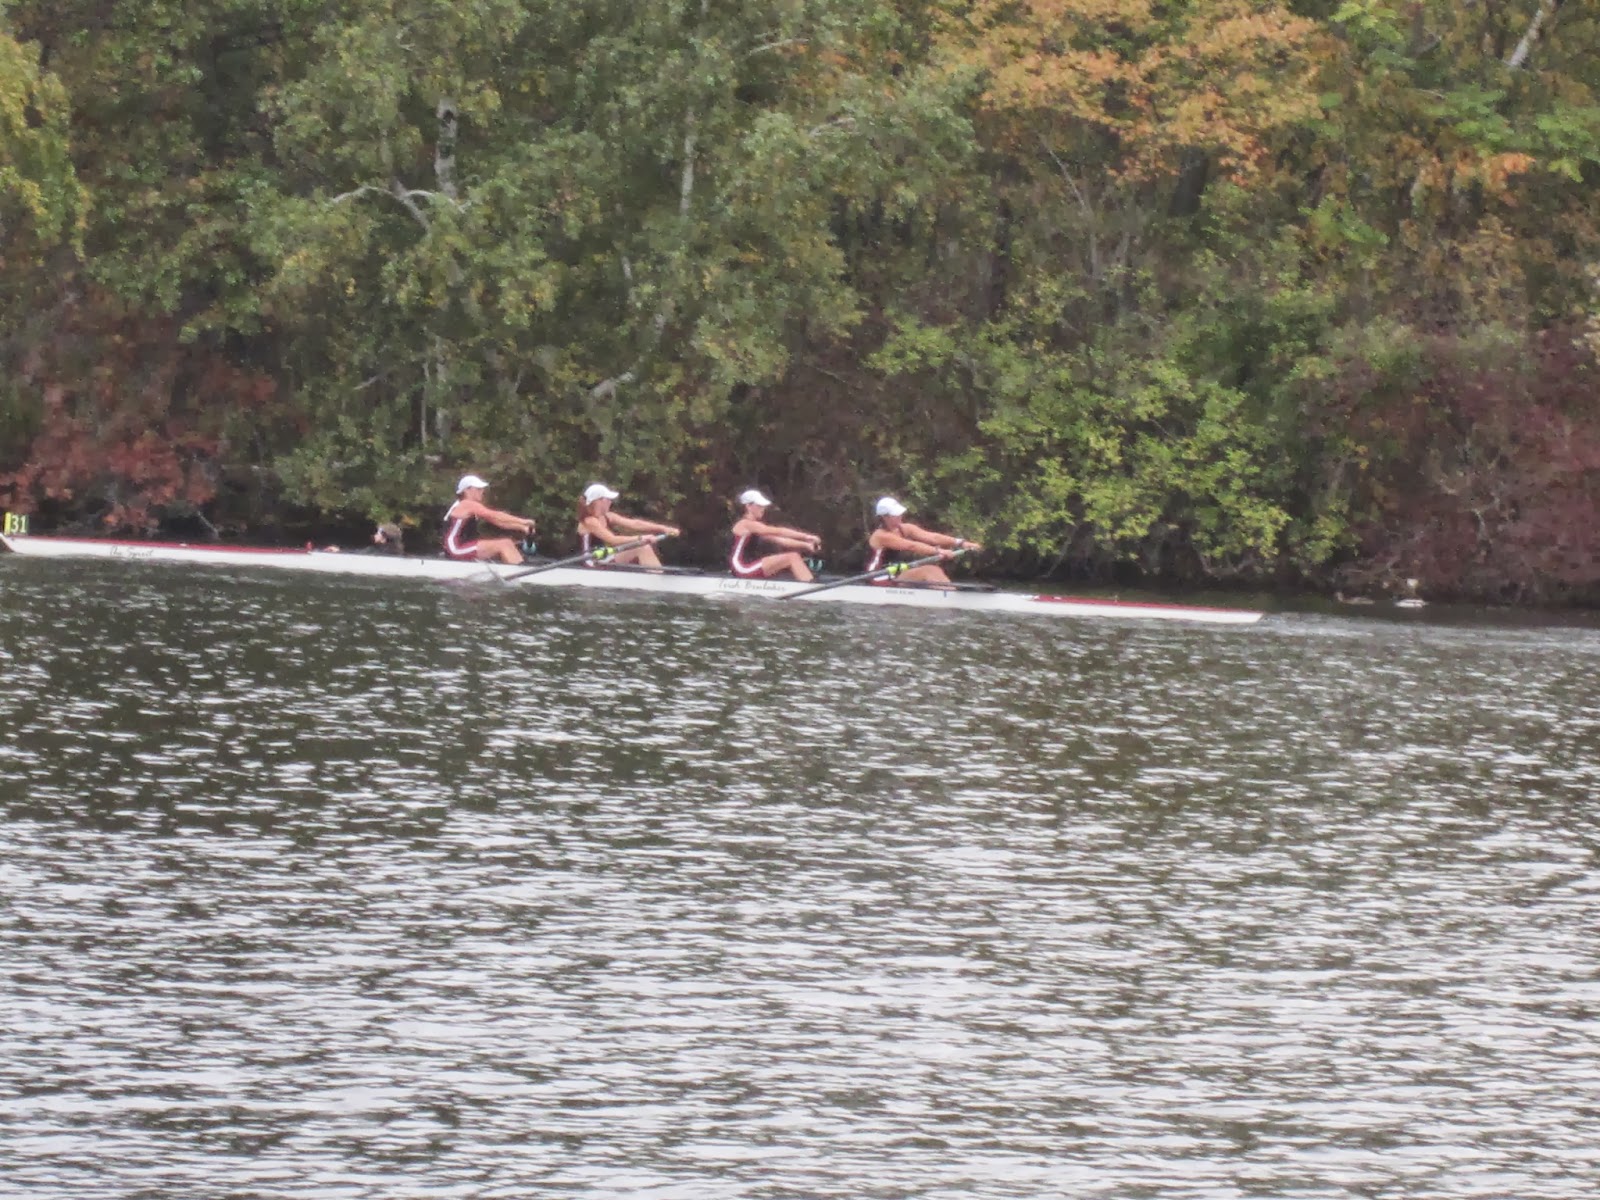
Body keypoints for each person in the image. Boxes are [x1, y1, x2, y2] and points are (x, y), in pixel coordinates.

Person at [866, 496, 981, 585]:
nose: (900, 516)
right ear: (884, 517)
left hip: (896, 573)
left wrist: (962, 543)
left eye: (899, 513)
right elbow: (912, 546)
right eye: (895, 515)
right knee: (929, 571)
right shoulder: (881, 536)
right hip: (878, 576)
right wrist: (939, 551)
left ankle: (949, 595)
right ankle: (949, 600)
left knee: (936, 570)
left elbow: (933, 537)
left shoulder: (905, 528)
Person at [576, 483, 680, 568]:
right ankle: (657, 581)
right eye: (608, 499)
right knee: (642, 548)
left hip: (605, 559)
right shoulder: (589, 521)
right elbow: (613, 539)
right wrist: (641, 538)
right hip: (591, 563)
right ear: (599, 501)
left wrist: (664, 528)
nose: (610, 502)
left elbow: (636, 524)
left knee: (644, 548)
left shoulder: (608, 516)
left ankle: (656, 578)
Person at [730, 489, 822, 581]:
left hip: (747, 566)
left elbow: (781, 540)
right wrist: (807, 536)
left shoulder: (756, 527)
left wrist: (806, 545)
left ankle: (809, 583)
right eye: (759, 506)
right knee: (792, 557)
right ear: (748, 506)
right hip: (742, 567)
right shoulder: (746, 524)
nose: (763, 509)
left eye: (763, 506)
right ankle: (810, 584)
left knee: (793, 556)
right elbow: (780, 531)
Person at [442, 474, 536, 564]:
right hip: (455, 549)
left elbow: (499, 522)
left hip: (464, 546)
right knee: (504, 544)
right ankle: (522, 570)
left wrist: (522, 527)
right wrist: (524, 521)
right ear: (467, 490)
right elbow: (495, 515)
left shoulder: (471, 507)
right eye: (478, 489)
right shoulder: (466, 504)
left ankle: (519, 566)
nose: (482, 491)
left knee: (508, 543)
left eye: (482, 489)